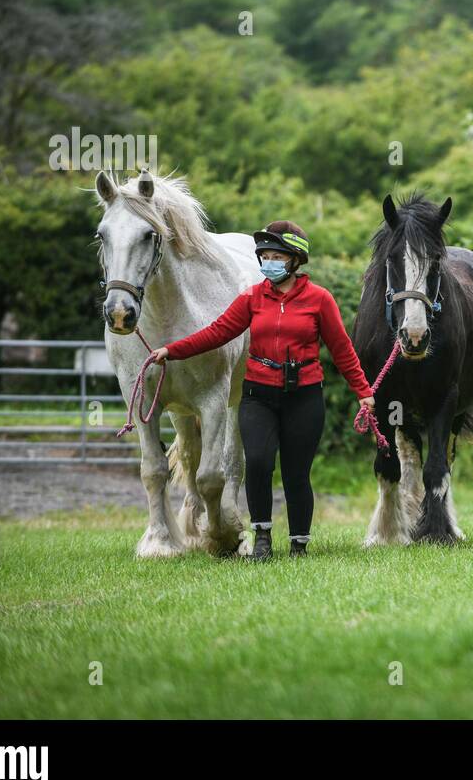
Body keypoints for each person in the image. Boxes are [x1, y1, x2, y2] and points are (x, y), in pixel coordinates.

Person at [149, 221, 374, 559]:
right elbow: (218, 332)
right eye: (264, 256)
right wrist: (173, 350)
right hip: (258, 395)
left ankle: (299, 542)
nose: (268, 262)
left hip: (304, 395)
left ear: (295, 260)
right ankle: (263, 539)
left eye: (276, 256)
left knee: (297, 472)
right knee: (257, 462)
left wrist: (364, 391)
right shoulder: (252, 298)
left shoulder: (320, 300)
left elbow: (342, 350)